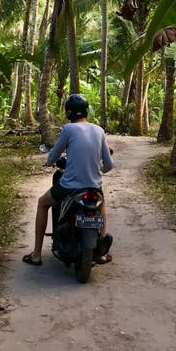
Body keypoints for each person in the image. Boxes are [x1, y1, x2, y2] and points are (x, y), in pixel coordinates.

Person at [23, 93, 114, 266]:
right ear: (87, 111)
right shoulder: (99, 130)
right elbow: (109, 164)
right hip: (94, 186)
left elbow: (54, 155)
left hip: (69, 187)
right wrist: (96, 171)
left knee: (43, 203)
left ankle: (36, 254)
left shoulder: (68, 129)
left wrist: (48, 162)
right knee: (101, 203)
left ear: (69, 112)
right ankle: (101, 253)